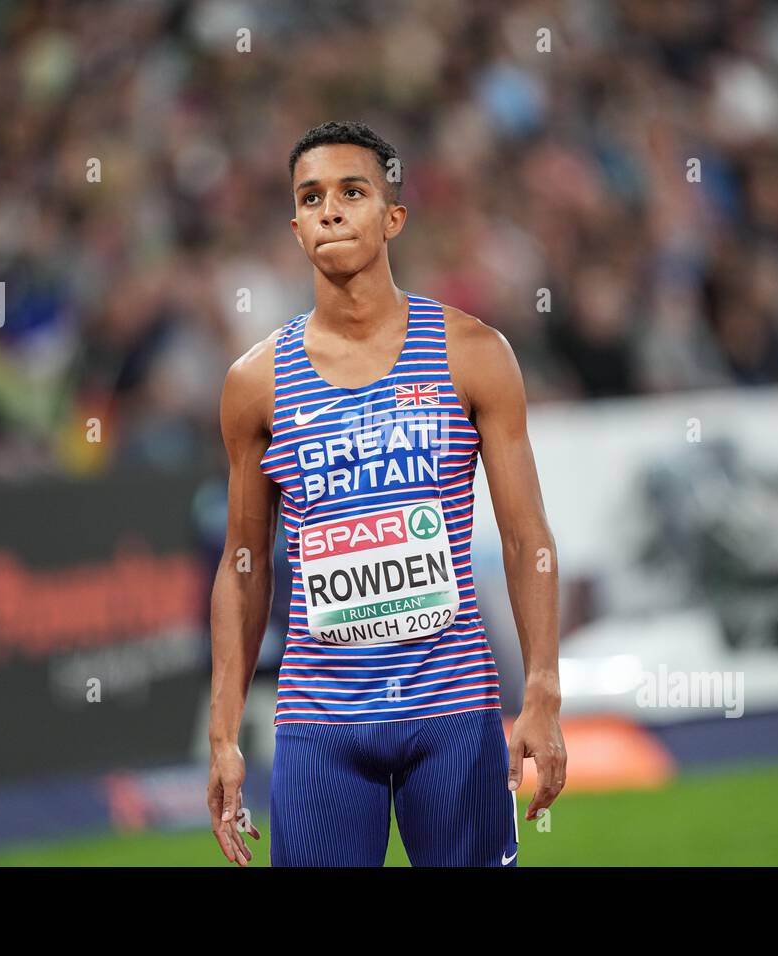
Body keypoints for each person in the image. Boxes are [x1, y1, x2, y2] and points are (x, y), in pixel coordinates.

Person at [208, 120, 565, 866]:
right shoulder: (255, 384)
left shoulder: (473, 354)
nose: (330, 210)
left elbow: (528, 539)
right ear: (296, 225)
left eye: (352, 192)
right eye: (311, 197)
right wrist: (223, 734)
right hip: (320, 725)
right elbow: (244, 563)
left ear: (392, 217)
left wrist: (542, 692)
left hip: (456, 715)